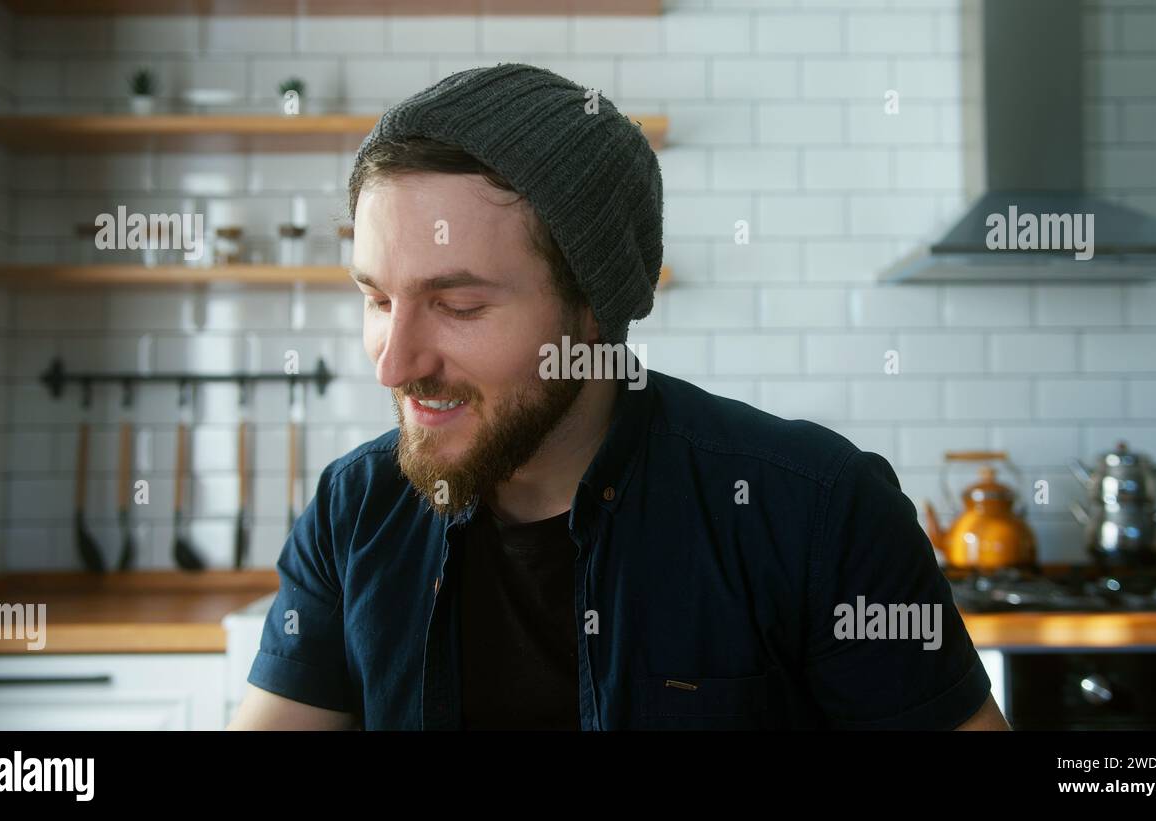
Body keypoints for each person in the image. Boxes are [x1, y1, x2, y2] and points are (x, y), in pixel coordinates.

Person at [227, 63, 1008, 731]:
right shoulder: (354, 510)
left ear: (592, 303)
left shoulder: (811, 511)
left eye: (459, 307)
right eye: (376, 299)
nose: (394, 366)